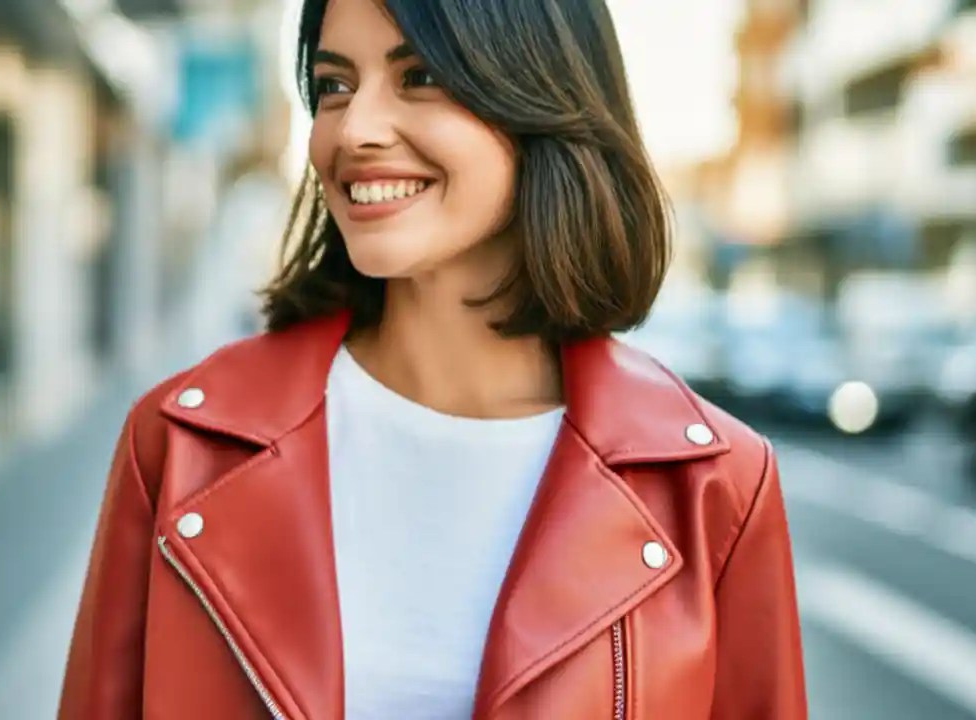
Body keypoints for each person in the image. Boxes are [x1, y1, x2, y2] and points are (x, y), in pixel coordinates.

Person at [57, 0, 808, 717]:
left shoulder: (716, 487)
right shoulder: (182, 444)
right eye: (333, 86)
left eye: (419, 76)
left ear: (542, 96)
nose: (355, 130)